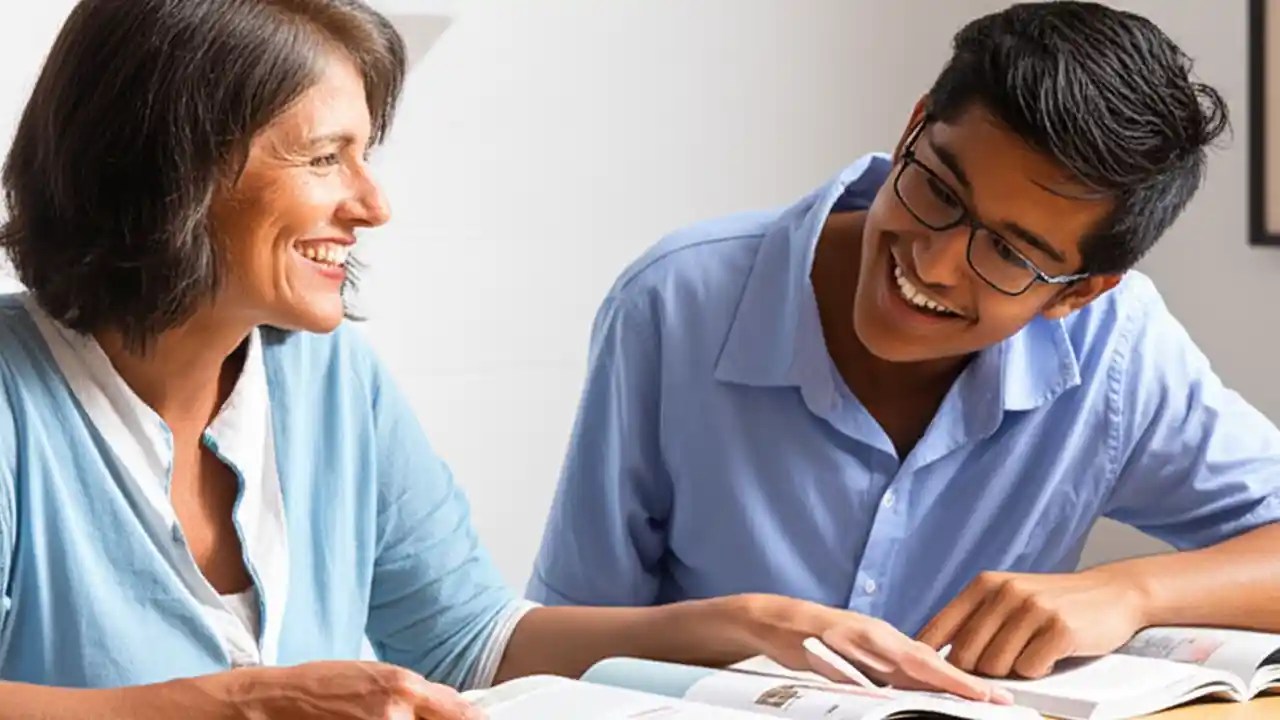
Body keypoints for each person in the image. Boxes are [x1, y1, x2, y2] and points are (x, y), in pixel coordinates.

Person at [0, 1, 1012, 717]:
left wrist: (740, 623)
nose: (372, 203)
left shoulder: (329, 382)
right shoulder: (15, 399)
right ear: (164, 170)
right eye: (322, 158)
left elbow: (466, 642)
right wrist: (239, 706)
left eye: (366, 154)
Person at [529, 0, 1280, 684]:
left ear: (1080, 290)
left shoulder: (1118, 347)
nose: (933, 262)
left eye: (1009, 255)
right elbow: (549, 645)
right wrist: (742, 630)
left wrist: (1129, 590)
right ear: (914, 126)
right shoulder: (677, 300)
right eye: (940, 191)